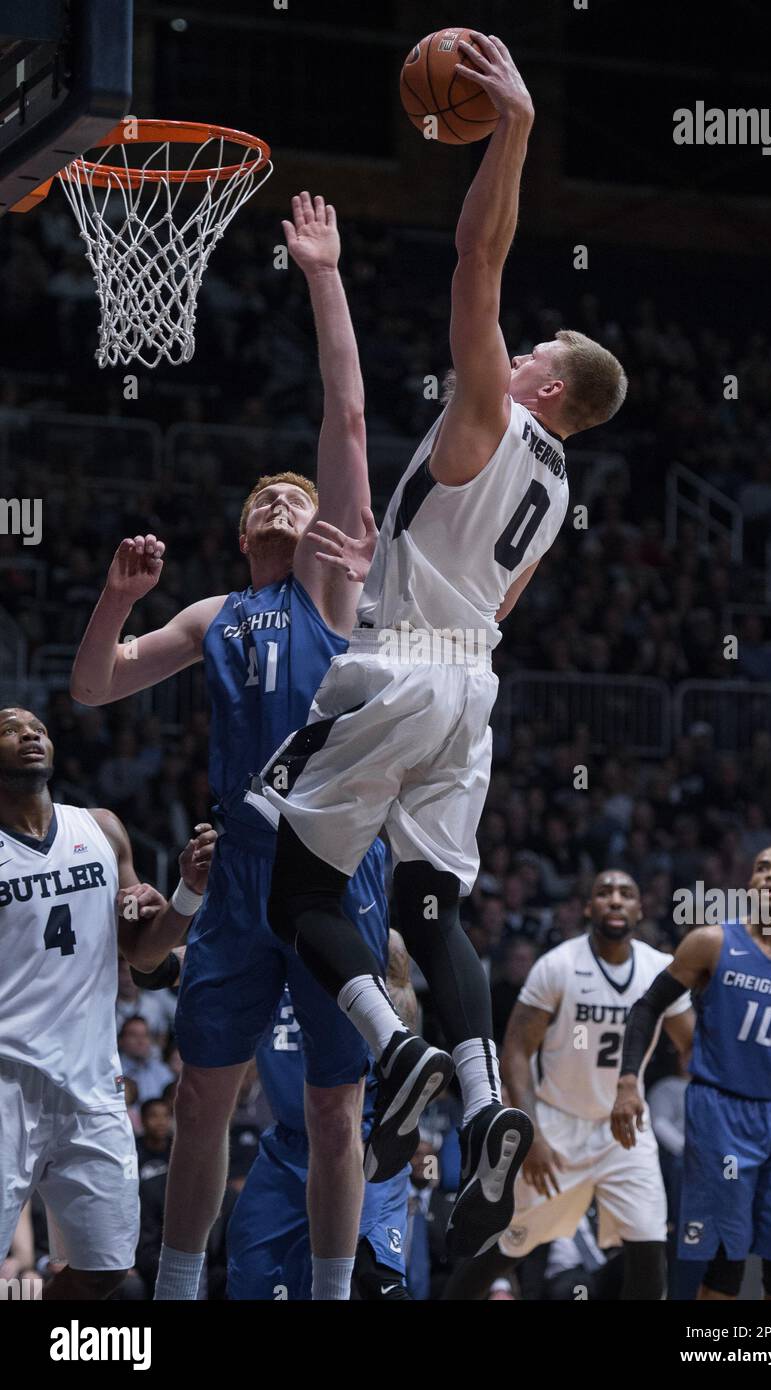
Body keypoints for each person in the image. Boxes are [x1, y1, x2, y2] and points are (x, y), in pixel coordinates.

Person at [259, 31, 628, 1261]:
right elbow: (500, 604)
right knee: (429, 908)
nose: (512, 348)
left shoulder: (488, 409)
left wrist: (514, 129)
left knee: (299, 888)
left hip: (405, 660)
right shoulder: (560, 492)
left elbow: (479, 253)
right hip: (473, 681)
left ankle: (395, 1044)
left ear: (547, 391)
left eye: (532, 355)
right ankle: (481, 1104)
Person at [71, 193, 386, 1302]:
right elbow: (94, 684)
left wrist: (322, 274)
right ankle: (174, 1292)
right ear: (246, 525)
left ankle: (335, 1288)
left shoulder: (330, 583)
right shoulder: (213, 614)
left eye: (300, 495)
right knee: (207, 1095)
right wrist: (115, 601)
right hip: (240, 868)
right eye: (269, 494)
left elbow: (345, 423)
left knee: (331, 1103)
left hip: (335, 860)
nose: (286, 499)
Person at [0, 706, 214, 1300]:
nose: (29, 735)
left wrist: (187, 893)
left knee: (108, 1267)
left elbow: (144, 955)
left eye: (38, 728)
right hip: (5, 1078)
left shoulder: (100, 828)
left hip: (90, 1078)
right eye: (11, 729)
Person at [612, 845, 771, 1301]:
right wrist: (629, 1080)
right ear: (749, 883)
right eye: (762, 867)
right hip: (720, 1111)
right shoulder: (712, 942)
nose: (770, 875)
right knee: (725, 1260)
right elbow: (647, 1007)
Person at [442, 870, 693, 1299]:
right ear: (589, 908)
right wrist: (531, 1132)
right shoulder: (557, 965)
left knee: (649, 1247)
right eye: (604, 893)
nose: (615, 899)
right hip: (556, 1125)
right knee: (507, 1246)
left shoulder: (659, 970)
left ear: (639, 908)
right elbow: (516, 1051)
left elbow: (693, 1047)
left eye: (626, 893)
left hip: (625, 1132)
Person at [226, 929, 414, 1301]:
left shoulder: (376, 939)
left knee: (375, 1279)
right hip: (287, 1146)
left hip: (361, 1141)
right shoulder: (261, 939)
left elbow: (405, 1009)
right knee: (254, 1282)